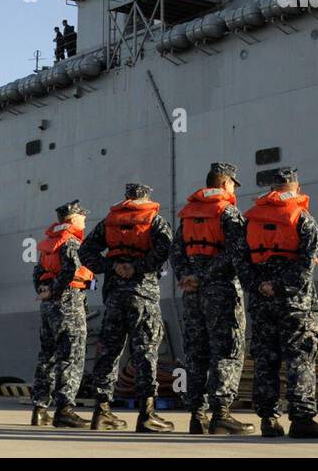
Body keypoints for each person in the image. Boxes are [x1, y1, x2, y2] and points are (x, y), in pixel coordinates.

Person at [241, 167, 318, 438]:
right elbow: (306, 266)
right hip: (296, 304)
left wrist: (259, 286)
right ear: (297, 187)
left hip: (261, 304)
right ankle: (302, 419)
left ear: (272, 188)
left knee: (265, 360)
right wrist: (281, 286)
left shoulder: (251, 220)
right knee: (300, 359)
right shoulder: (303, 218)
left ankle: (269, 420)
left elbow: (241, 262)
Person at [81, 182, 175, 433]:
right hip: (142, 295)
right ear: (145, 197)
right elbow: (166, 248)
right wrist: (138, 267)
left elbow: (86, 251)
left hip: (114, 296)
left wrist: (111, 266)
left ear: (126, 198)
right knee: (145, 352)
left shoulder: (109, 222)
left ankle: (101, 413)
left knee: (109, 352)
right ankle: (147, 415)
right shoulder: (154, 220)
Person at [170, 162, 254, 435]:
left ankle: (197, 415)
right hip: (221, 293)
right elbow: (236, 253)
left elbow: (176, 253)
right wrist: (206, 276)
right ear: (226, 184)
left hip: (192, 295)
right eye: (233, 184)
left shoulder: (187, 215)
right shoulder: (228, 214)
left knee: (197, 352)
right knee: (227, 351)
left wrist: (188, 276)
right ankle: (222, 415)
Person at [32, 200, 95, 428]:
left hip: (48, 306)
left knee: (47, 356)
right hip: (69, 303)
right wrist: (59, 291)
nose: (85, 220)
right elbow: (71, 270)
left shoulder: (49, 244)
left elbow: (38, 273)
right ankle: (65, 410)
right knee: (72, 355)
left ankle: (40, 409)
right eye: (82, 216)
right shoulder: (71, 242)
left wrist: (46, 292)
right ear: (73, 219)